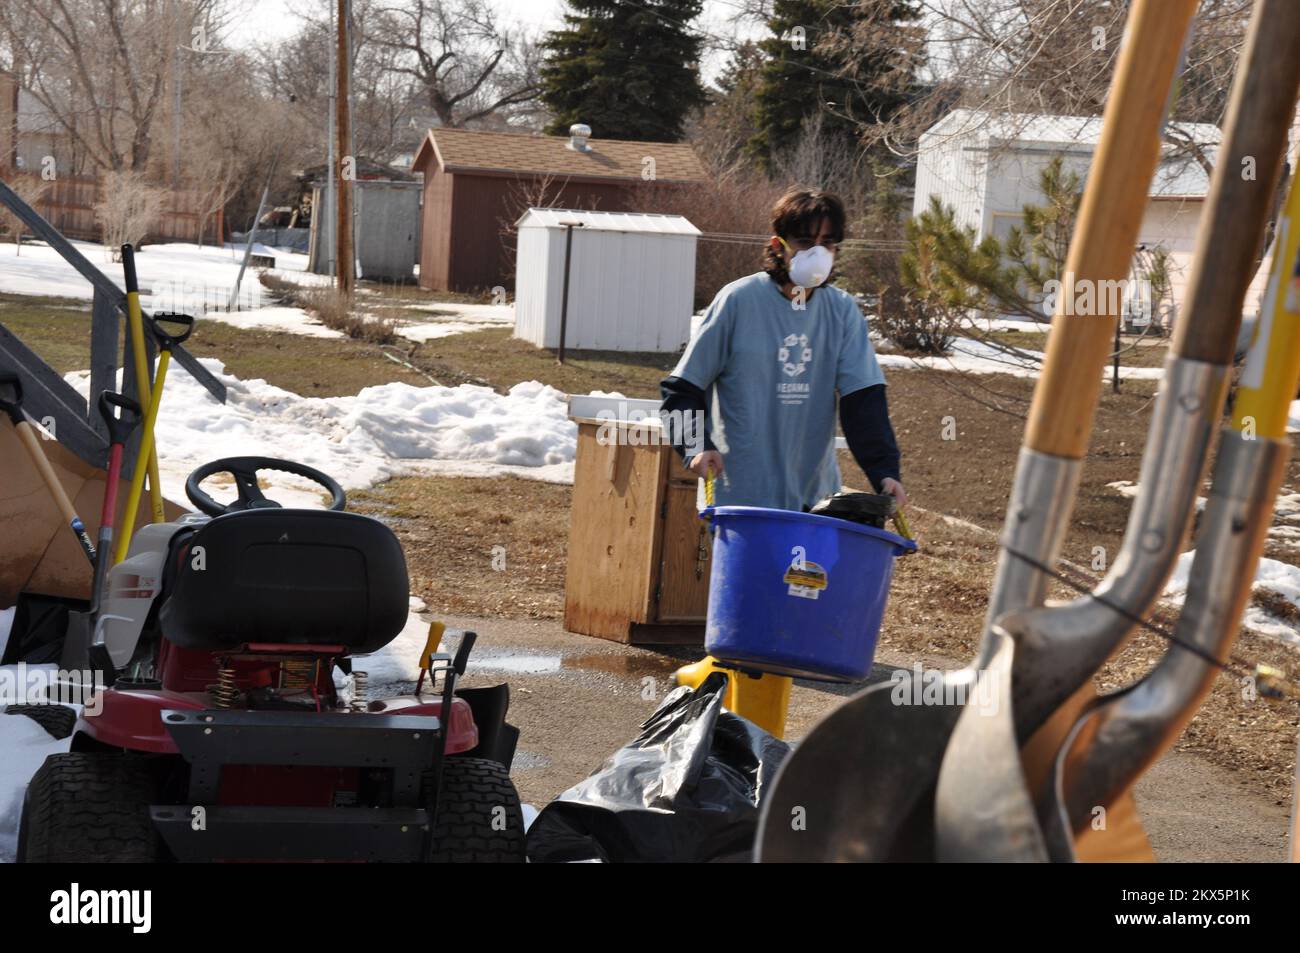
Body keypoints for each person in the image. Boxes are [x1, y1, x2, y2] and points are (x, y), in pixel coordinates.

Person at [660, 187, 906, 512]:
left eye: (827, 243)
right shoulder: (738, 302)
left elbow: (863, 402)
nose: (817, 253)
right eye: (805, 242)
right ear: (779, 246)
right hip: (741, 504)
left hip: (816, 504)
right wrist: (696, 448)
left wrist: (884, 471)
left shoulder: (843, 312)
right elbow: (680, 391)